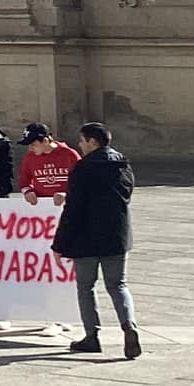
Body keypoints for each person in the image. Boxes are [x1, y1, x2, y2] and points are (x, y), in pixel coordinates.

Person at [53, 122, 140, 360]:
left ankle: (92, 336)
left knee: (86, 287)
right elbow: (126, 195)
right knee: (118, 285)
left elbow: (73, 208)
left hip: (86, 237)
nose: (80, 145)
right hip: (116, 235)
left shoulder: (83, 168)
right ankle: (129, 325)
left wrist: (60, 243)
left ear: (92, 142)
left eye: (82, 141)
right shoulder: (123, 164)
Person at [19, 121, 82, 203]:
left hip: (67, 204)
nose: (30, 149)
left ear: (45, 141)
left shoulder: (69, 154)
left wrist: (67, 195)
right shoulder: (30, 157)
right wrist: (28, 191)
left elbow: (83, 180)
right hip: (41, 205)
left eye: (33, 145)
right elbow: (24, 181)